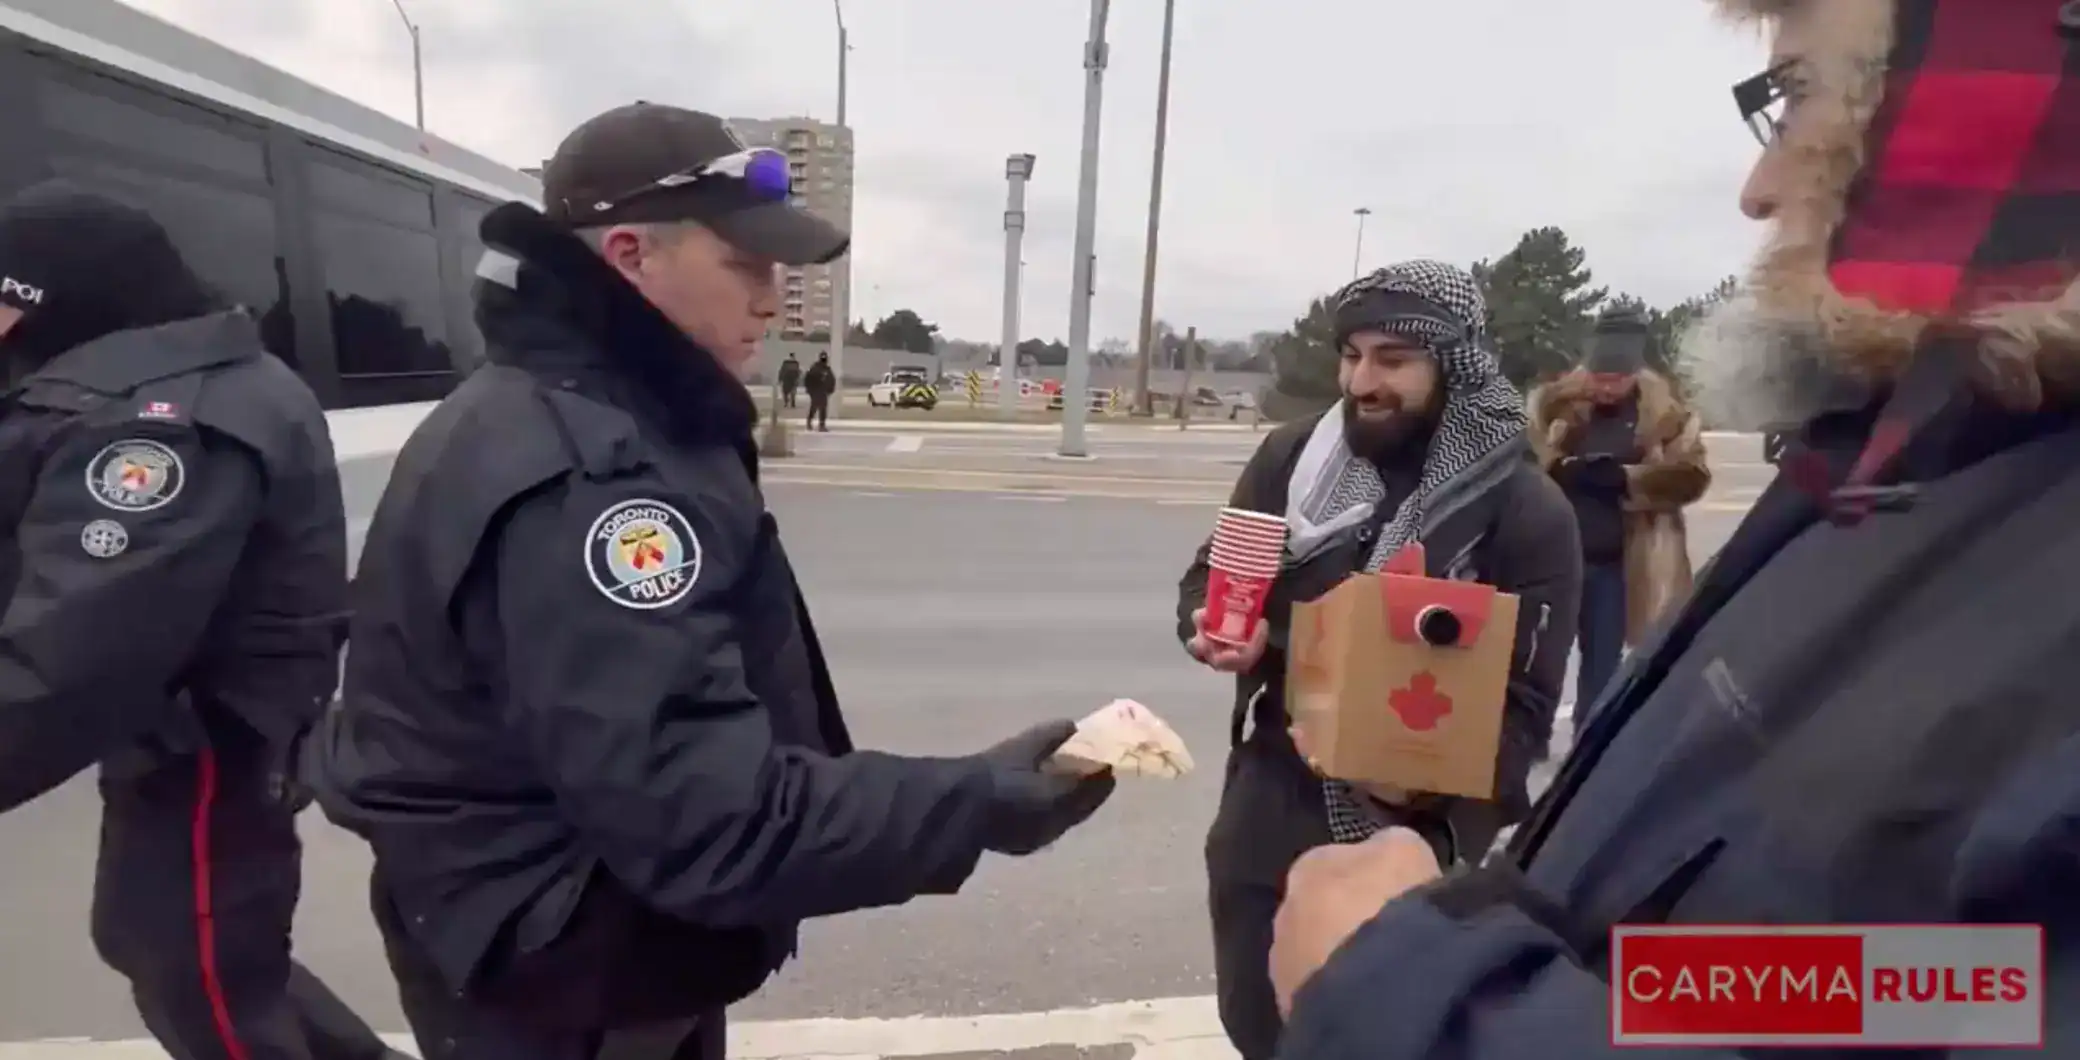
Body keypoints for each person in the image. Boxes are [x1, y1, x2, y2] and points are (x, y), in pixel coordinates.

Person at [1268, 4, 2080, 1055]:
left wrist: (1413, 996)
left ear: (1981, 115)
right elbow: (1906, 996)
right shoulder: (1899, 466)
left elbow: (1981, 1006)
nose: (1758, 190)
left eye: (1797, 94)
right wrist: (1480, 946)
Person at [311, 102, 1115, 1060]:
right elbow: (702, 815)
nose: (773, 300)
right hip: (566, 979)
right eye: (746, 265)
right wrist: (976, 800)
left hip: (589, 940)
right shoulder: (592, 478)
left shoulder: (595, 412)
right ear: (630, 255)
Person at [0, 182, 398, 1060]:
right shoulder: (169, 383)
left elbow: (78, 653)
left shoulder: (164, 427)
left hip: (215, 737)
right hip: (191, 726)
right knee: (167, 941)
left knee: (208, 981)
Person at [1175, 259, 1580, 1060]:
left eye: (1393, 360)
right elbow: (1209, 576)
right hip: (1270, 801)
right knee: (1257, 1025)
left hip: (1413, 841)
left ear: (1453, 362)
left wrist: (1421, 805)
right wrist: (1218, 629)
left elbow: (1525, 713)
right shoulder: (1292, 460)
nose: (1363, 381)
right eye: (1352, 355)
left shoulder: (1524, 509)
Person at [1529, 306, 1709, 716]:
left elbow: (1693, 477)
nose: (1606, 387)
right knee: (1538, 663)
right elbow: (1524, 459)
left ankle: (1587, 744)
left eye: (1617, 379)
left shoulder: (1667, 417)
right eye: (1599, 377)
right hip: (1555, 560)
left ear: (1634, 373)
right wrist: (1560, 468)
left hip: (1618, 565)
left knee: (1602, 672)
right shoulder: (1555, 407)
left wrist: (1629, 479)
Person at [803, 349, 835, 431]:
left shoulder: (826, 369)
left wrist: (830, 389)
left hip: (822, 391)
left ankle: (821, 425)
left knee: (822, 409)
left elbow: (831, 380)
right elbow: (808, 379)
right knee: (814, 407)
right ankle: (810, 422)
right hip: (816, 391)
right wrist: (809, 389)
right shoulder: (815, 368)